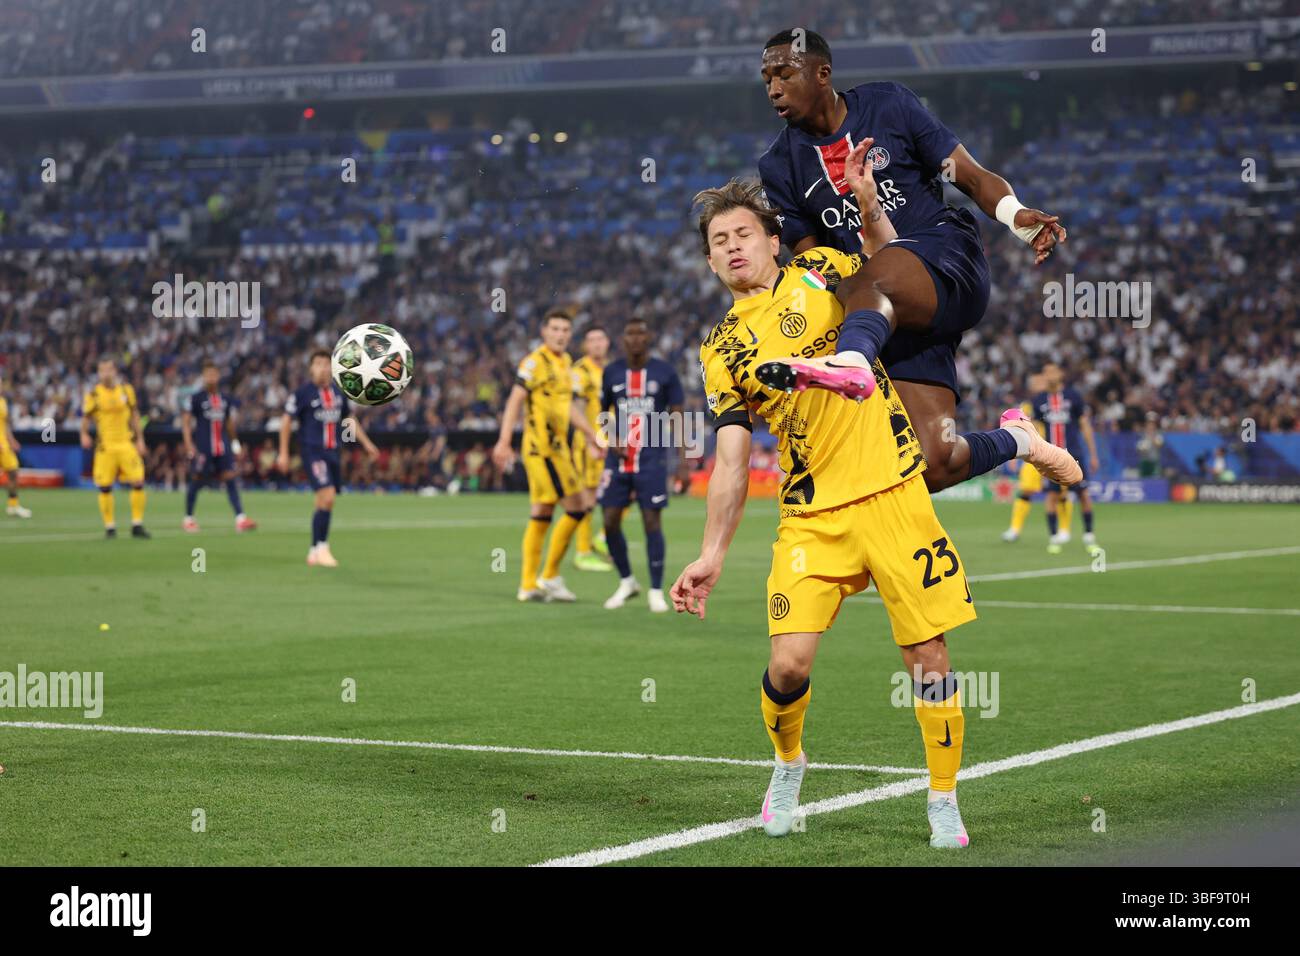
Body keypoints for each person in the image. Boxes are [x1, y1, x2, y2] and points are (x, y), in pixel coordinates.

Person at [671, 179, 976, 848]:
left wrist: (867, 201)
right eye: (719, 242)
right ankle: (787, 765)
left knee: (928, 653)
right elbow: (729, 460)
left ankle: (944, 797)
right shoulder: (719, 350)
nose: (732, 247)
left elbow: (892, 265)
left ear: (773, 240)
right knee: (789, 667)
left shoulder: (823, 270)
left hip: (893, 489)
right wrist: (711, 555)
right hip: (811, 514)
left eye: (743, 233)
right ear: (711, 263)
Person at [754, 28, 1079, 492]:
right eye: (766, 79)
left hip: (946, 258)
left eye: (784, 74)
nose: (773, 89)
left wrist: (1017, 216)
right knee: (931, 465)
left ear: (822, 73)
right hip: (885, 310)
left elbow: (968, 175)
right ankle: (1020, 440)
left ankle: (850, 363)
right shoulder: (779, 165)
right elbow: (816, 261)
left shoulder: (889, 105)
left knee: (867, 282)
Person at [491, 308, 602, 602]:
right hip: (542, 450)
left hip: (560, 452)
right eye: (554, 329)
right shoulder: (534, 362)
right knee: (577, 506)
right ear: (544, 332)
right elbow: (515, 400)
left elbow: (567, 408)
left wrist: (592, 436)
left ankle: (530, 584)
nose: (560, 334)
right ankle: (549, 576)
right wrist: (504, 441)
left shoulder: (565, 362)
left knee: (542, 514)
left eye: (565, 330)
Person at [596, 317, 685, 613]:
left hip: (651, 458)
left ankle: (656, 590)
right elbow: (603, 413)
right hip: (618, 460)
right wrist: (611, 436)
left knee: (651, 523)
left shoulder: (665, 372)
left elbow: (677, 416)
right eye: (629, 334)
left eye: (640, 334)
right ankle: (626, 581)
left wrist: (683, 460)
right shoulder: (612, 372)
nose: (634, 339)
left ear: (649, 338)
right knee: (609, 521)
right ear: (623, 339)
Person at [277, 349, 379, 566]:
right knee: (328, 495)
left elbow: (348, 421)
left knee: (324, 502)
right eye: (319, 364)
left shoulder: (338, 393)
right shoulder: (302, 394)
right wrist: (284, 453)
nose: (323, 368)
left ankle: (313, 550)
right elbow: (286, 422)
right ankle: (323, 547)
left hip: (333, 453)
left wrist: (367, 444)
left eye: (327, 364)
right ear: (311, 368)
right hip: (313, 453)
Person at [1031, 363, 1100, 555]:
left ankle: (1089, 535)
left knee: (1083, 494)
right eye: (1045, 372)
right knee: (1051, 496)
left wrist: (1093, 454)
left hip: (1075, 454)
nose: (1047, 375)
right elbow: (1035, 429)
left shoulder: (1073, 396)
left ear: (1061, 373)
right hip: (1051, 456)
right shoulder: (1039, 400)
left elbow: (1085, 425)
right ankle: (1053, 538)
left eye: (1051, 371)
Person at [181, 360, 256, 532]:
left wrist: (235, 444)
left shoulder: (225, 399)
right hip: (203, 448)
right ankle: (188, 518)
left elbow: (228, 424)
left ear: (218, 376)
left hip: (222, 447)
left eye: (214, 374)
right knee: (196, 480)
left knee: (230, 478)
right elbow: (186, 422)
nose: (211, 378)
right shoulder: (196, 398)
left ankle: (240, 518)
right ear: (203, 377)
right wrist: (188, 445)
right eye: (208, 375)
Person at [80, 358, 150, 539]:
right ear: (98, 373)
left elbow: (135, 415)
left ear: (115, 371)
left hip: (126, 443)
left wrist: (140, 439)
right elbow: (86, 418)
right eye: (102, 370)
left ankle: (137, 524)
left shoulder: (126, 391)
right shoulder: (94, 394)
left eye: (109, 370)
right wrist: (84, 434)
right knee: (104, 486)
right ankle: (110, 527)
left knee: (138, 480)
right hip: (105, 446)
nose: (106, 374)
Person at [569, 325, 614, 571]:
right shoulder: (580, 371)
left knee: (624, 491)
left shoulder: (613, 370)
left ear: (607, 343)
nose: (597, 343)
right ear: (585, 346)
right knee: (587, 498)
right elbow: (574, 407)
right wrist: (589, 440)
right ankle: (582, 552)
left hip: (612, 442)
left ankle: (602, 538)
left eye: (601, 338)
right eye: (591, 340)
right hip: (589, 444)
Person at [0, 372, 31, 518]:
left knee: (13, 472)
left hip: (4, 444)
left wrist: (11, 440)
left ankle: (13, 506)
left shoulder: (3, 402)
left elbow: (5, 425)